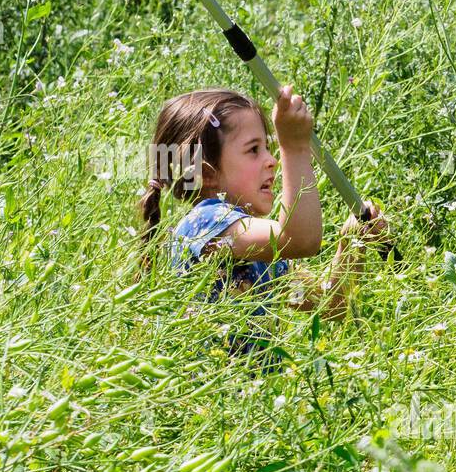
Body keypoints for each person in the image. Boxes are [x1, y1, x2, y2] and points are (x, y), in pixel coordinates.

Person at [137, 85, 390, 363]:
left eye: (269, 148)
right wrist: (294, 147)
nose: (271, 160)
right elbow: (299, 240)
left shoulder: (261, 256)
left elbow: (330, 305)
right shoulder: (206, 225)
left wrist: (351, 243)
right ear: (205, 172)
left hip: (250, 404)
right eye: (253, 150)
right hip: (211, 402)